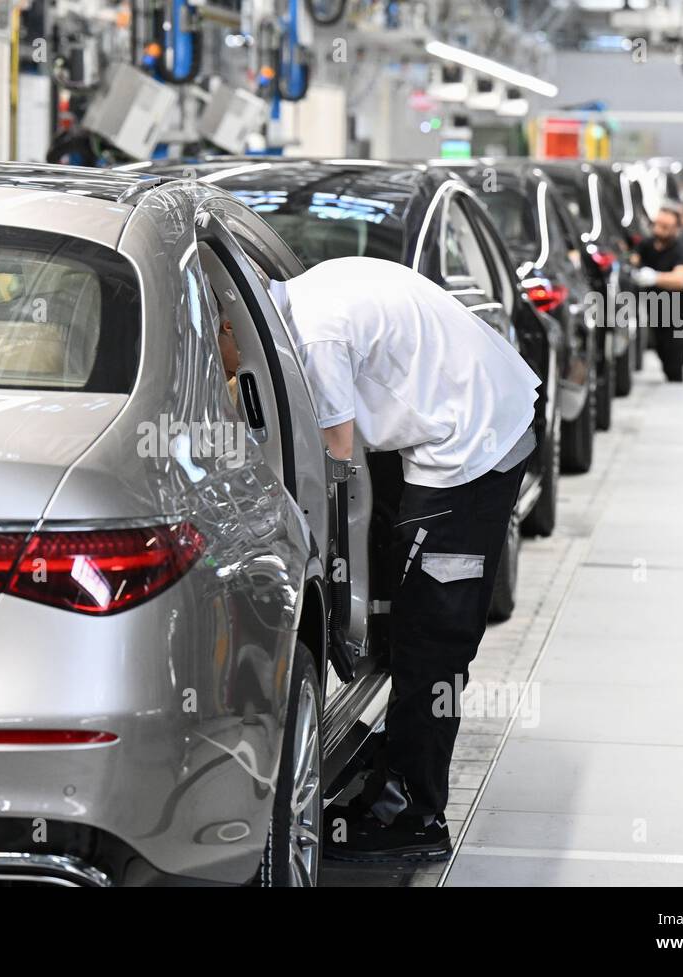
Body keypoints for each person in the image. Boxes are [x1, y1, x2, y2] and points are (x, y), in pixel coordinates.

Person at [268, 256, 540, 862]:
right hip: (482, 419)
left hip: (469, 450)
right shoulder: (315, 287)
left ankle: (416, 817)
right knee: (414, 618)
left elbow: (334, 452)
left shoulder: (314, 333)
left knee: (432, 635)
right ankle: (391, 773)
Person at [633, 205, 683, 382]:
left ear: (675, 229)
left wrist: (655, 278)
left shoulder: (680, 249)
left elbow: (682, 278)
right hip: (656, 313)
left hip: (677, 316)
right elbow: (633, 258)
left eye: (665, 227)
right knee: (662, 353)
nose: (659, 230)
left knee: (674, 365)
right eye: (657, 225)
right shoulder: (647, 245)